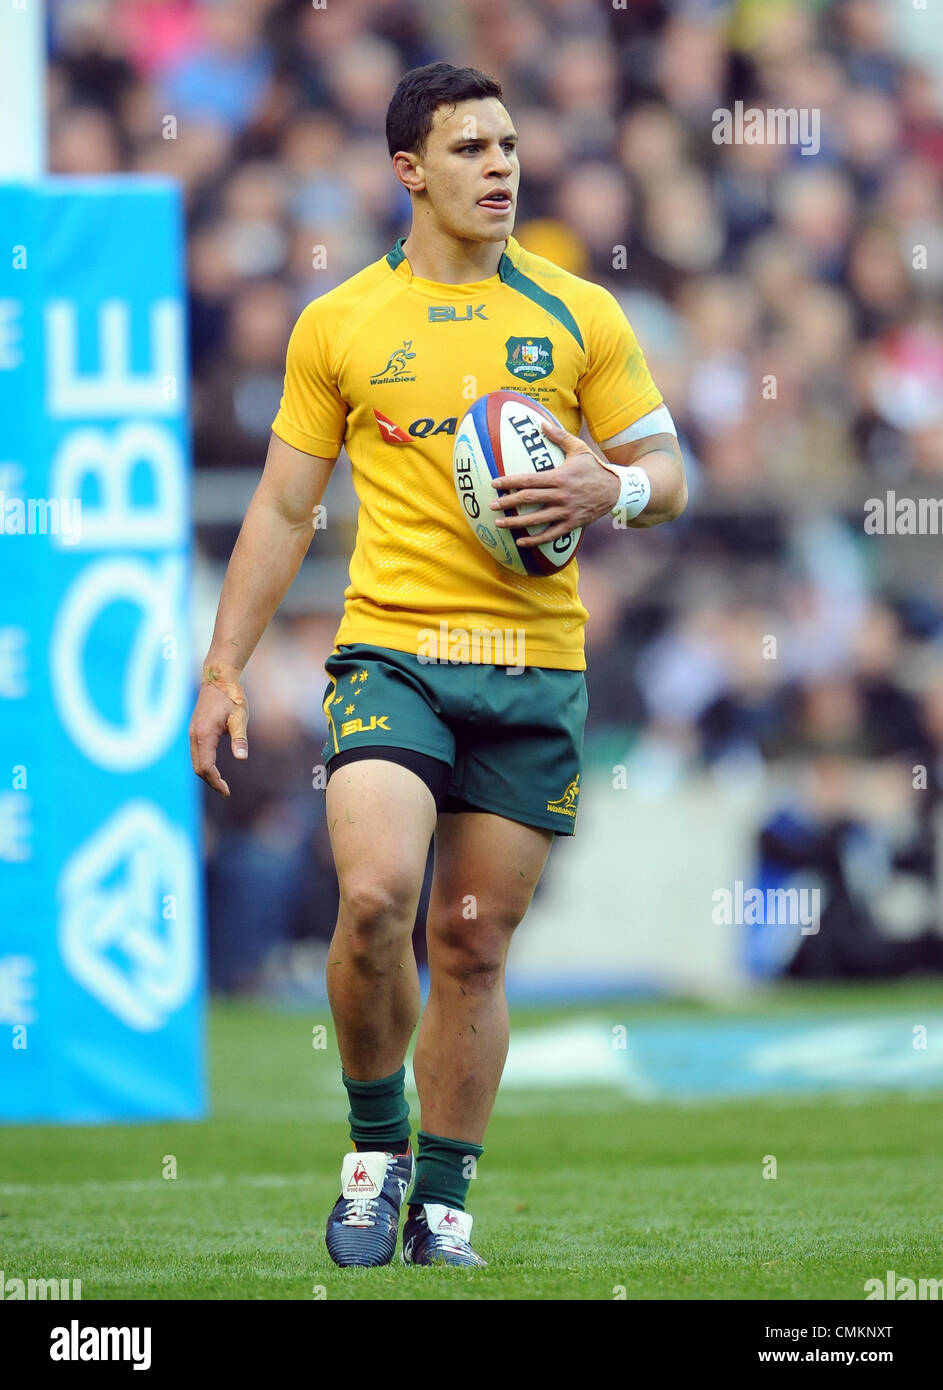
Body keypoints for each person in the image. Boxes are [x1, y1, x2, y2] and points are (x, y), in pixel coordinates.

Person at [189, 61, 687, 1268]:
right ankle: (374, 1151)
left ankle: (443, 1212)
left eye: (508, 145)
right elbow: (280, 508)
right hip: (393, 654)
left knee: (470, 945)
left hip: (531, 668)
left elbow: (668, 475)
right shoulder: (341, 321)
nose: (501, 165)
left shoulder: (578, 312)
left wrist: (606, 485)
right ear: (408, 169)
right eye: (471, 148)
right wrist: (221, 667)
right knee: (373, 899)